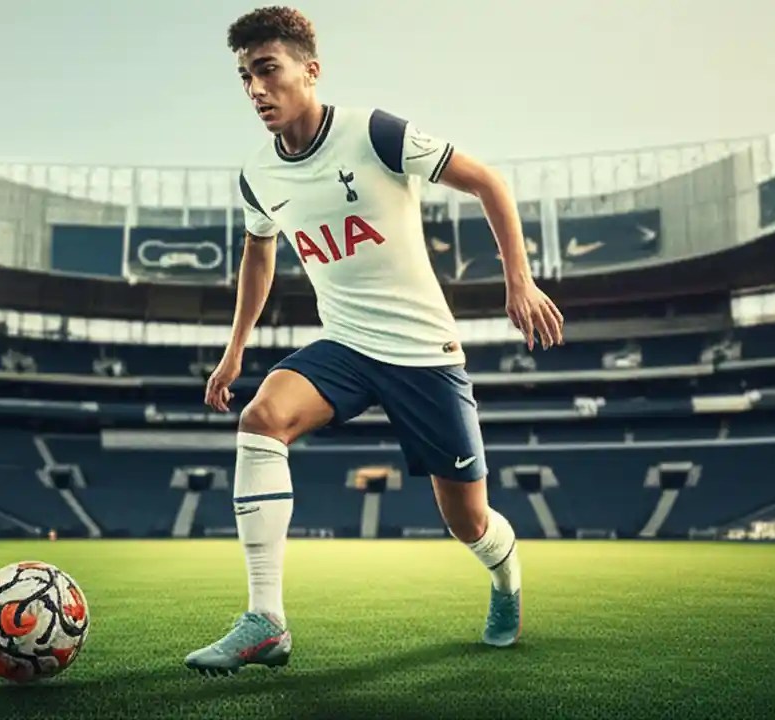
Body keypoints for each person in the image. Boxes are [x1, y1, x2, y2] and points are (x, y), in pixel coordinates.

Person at [184, 6, 564, 676]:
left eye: (267, 70)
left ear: (311, 69)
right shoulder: (257, 175)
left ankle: (507, 582)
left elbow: (486, 182)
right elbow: (259, 253)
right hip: (348, 345)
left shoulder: (375, 133)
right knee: (262, 417)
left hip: (424, 354)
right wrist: (234, 348)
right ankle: (265, 620)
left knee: (467, 522)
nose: (255, 90)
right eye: (245, 77)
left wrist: (521, 284)